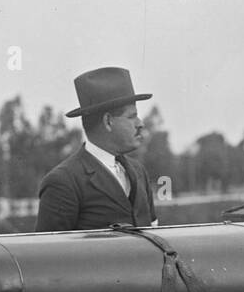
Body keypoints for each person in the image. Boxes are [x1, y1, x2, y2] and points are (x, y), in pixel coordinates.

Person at [35, 66, 157, 231]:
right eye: (131, 116)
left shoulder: (139, 171)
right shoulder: (63, 182)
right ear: (108, 121)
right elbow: (47, 253)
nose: (140, 123)